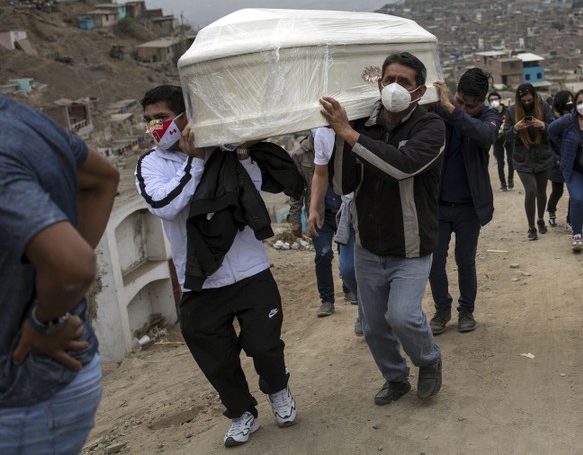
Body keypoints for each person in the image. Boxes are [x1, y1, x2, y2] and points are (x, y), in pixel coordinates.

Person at [135, 85, 299, 447]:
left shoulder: (224, 153)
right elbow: (164, 205)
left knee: (266, 345)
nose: (154, 127)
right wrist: (194, 162)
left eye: (160, 118)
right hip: (200, 281)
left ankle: (278, 389)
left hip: (249, 270)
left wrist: (239, 154)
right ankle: (243, 413)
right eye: (148, 121)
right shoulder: (150, 164)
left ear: (183, 118)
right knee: (217, 359)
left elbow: (253, 189)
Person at [320, 52, 444, 406]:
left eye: (403, 82)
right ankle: (395, 377)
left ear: (419, 92)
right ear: (378, 83)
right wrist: (342, 136)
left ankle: (429, 360)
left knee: (403, 317)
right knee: (374, 325)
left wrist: (349, 133)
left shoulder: (430, 128)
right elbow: (343, 185)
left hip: (411, 244)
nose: (394, 87)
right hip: (368, 244)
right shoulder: (363, 124)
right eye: (388, 79)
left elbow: (402, 166)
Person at [1, 94, 119, 454]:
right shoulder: (24, 119)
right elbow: (103, 179)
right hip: (54, 384)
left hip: (26, 396)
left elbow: (73, 267)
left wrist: (44, 317)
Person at [428, 68, 499, 335]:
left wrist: (453, 110)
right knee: (434, 261)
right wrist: (446, 107)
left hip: (469, 206)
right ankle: (442, 309)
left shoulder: (489, 117)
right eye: (460, 102)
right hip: (438, 204)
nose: (464, 109)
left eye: (471, 106)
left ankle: (466, 310)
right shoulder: (439, 111)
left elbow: (485, 135)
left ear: (482, 101)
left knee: (465, 260)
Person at [303, 127, 361, 334]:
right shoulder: (320, 138)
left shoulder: (361, 129)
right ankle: (336, 301)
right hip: (333, 213)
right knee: (334, 261)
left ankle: (366, 307)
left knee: (358, 267)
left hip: (357, 209)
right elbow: (318, 175)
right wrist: (311, 210)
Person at [501, 83, 555, 240]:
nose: (527, 103)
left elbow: (554, 128)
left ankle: (540, 219)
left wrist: (542, 125)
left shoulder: (544, 107)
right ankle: (531, 227)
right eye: (523, 101)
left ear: (534, 97)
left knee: (541, 191)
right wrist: (516, 128)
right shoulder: (511, 111)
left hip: (542, 156)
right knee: (531, 191)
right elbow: (506, 136)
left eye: (529, 100)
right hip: (522, 158)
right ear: (519, 100)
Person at [549, 88, 583, 252]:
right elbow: (551, 131)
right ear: (574, 105)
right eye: (579, 102)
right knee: (578, 199)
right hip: (574, 169)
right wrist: (562, 149)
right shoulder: (568, 121)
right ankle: (577, 234)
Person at [547, 90, 574, 230]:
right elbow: (549, 144)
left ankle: (571, 219)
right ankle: (551, 211)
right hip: (557, 164)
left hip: (572, 162)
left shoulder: (575, 118)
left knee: (574, 193)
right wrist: (556, 159)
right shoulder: (552, 120)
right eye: (568, 100)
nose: (571, 103)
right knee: (558, 192)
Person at [487, 91, 515, 191]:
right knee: (500, 162)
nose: (494, 101)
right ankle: (503, 183)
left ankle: (510, 180)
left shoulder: (508, 110)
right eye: (491, 100)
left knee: (511, 160)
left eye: (495, 99)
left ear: (499, 99)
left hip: (509, 139)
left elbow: (512, 123)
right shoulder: (489, 113)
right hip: (497, 140)